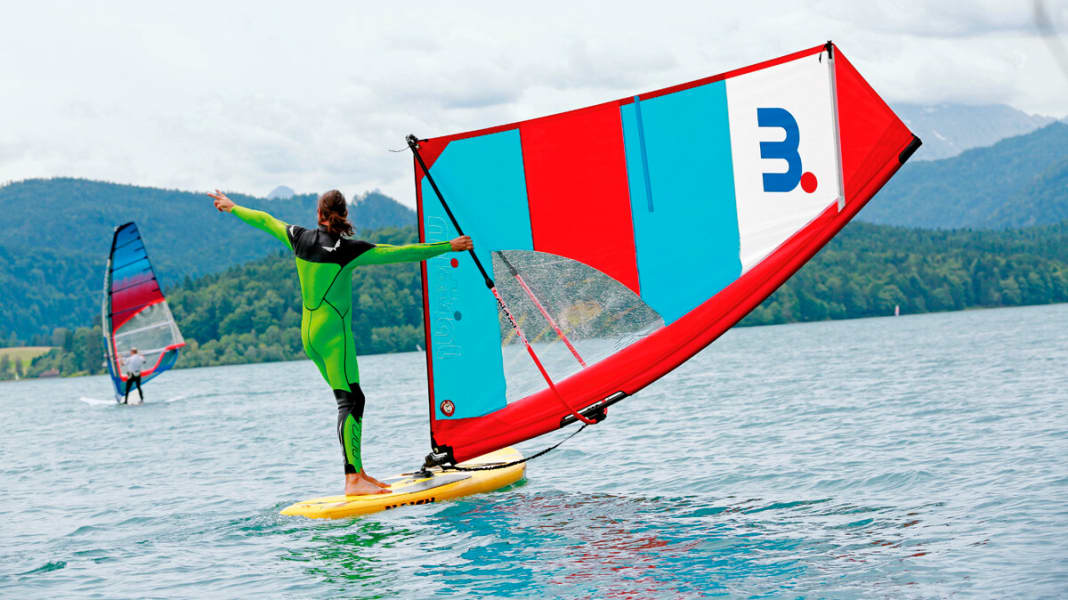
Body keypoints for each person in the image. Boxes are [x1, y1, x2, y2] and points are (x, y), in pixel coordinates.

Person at [207, 189, 472, 496]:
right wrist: (448, 246)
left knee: (348, 399)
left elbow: (265, 220)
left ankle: (358, 472)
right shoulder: (348, 249)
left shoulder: (298, 237)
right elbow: (398, 252)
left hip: (308, 334)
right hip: (334, 335)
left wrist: (232, 207)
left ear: (319, 215)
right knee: (352, 400)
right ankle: (352, 479)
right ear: (344, 216)